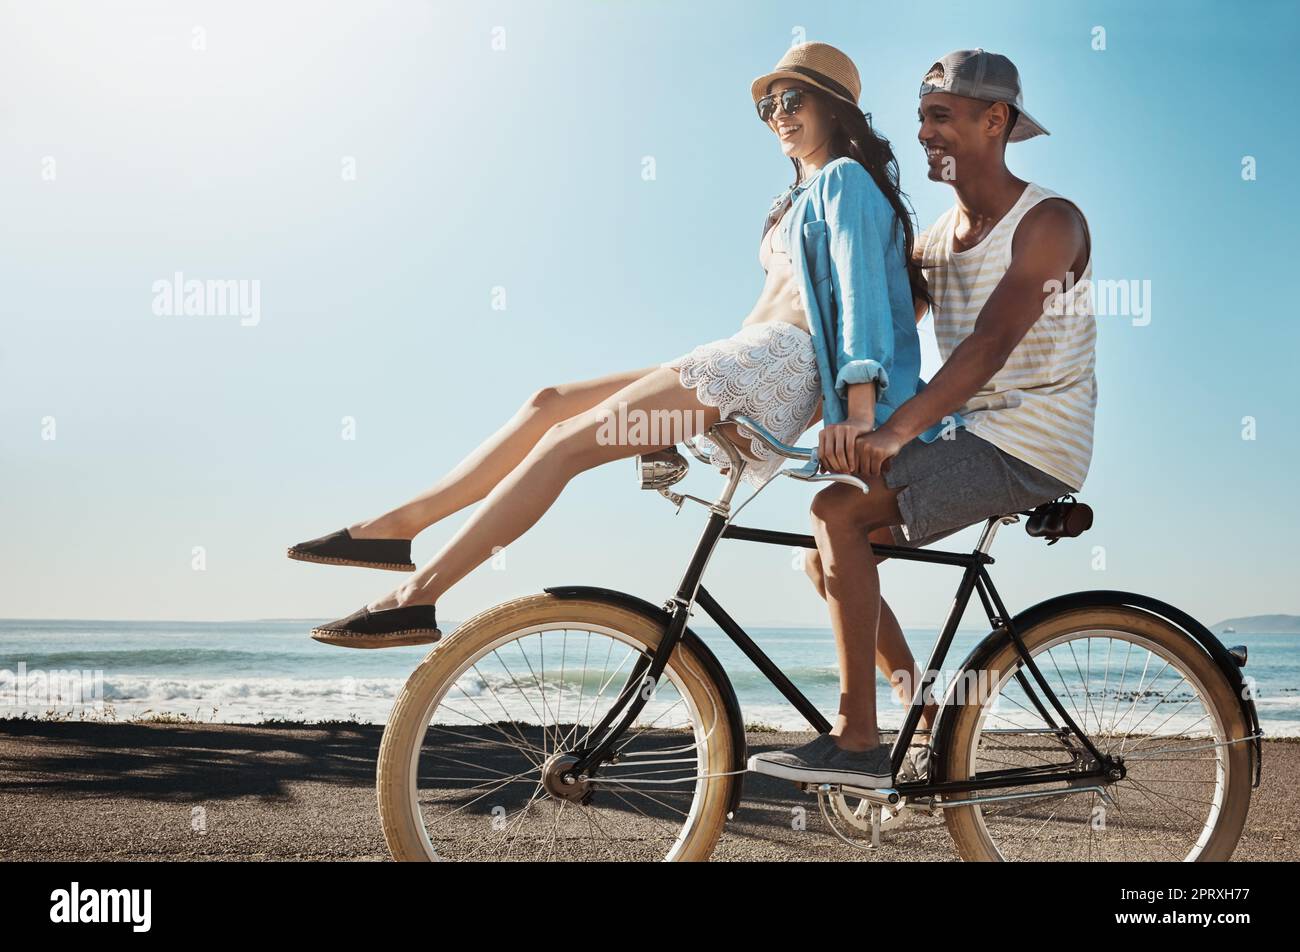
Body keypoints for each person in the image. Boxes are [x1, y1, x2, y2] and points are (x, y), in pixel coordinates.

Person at [288, 43, 946, 664]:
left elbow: (862, 297)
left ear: (834, 107)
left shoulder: (847, 181)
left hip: (773, 366)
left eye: (793, 99)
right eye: (768, 104)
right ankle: (396, 528)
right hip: (741, 357)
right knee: (550, 405)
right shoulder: (791, 201)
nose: (779, 115)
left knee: (568, 444)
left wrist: (860, 413)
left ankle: (415, 598)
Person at [749, 48, 1096, 789]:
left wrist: (893, 431)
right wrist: (766, 390)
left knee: (835, 512)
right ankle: (925, 715)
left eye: (942, 117)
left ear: (995, 120)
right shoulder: (935, 243)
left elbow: (990, 343)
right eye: (920, 120)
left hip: (1029, 439)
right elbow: (868, 324)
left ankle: (859, 737)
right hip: (966, 430)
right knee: (829, 555)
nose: (925, 133)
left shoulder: (1051, 221)